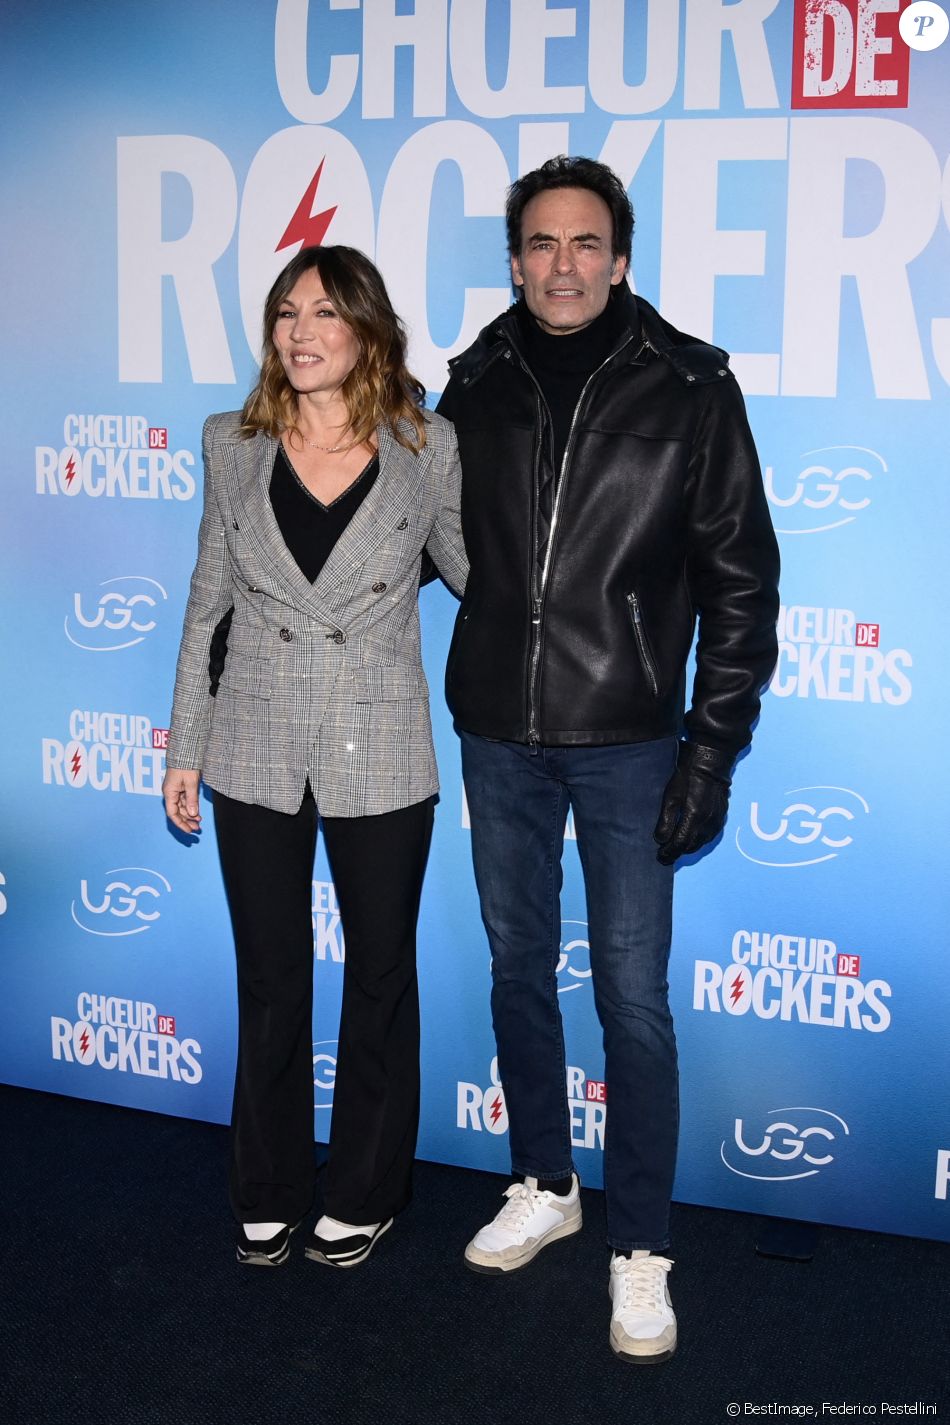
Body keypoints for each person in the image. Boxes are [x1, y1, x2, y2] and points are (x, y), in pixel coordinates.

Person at [437, 156, 779, 1363]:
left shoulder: (690, 386)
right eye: (539, 243)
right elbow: (424, 541)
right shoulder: (471, 384)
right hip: (497, 733)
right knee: (516, 971)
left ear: (619, 258)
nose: (562, 263)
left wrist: (710, 752)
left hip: (633, 739)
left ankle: (640, 1246)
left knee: (630, 1002)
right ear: (515, 258)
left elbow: (742, 586)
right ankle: (545, 1180)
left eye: (585, 243)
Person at [163, 244, 467, 1269]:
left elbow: (478, 574)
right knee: (271, 974)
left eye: (324, 313)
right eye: (286, 313)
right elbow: (208, 597)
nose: (300, 331)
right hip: (251, 738)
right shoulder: (230, 441)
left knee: (379, 975)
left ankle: (368, 1188)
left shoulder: (428, 447)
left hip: (380, 739)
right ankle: (269, 1183)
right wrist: (183, 746)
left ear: (367, 331)